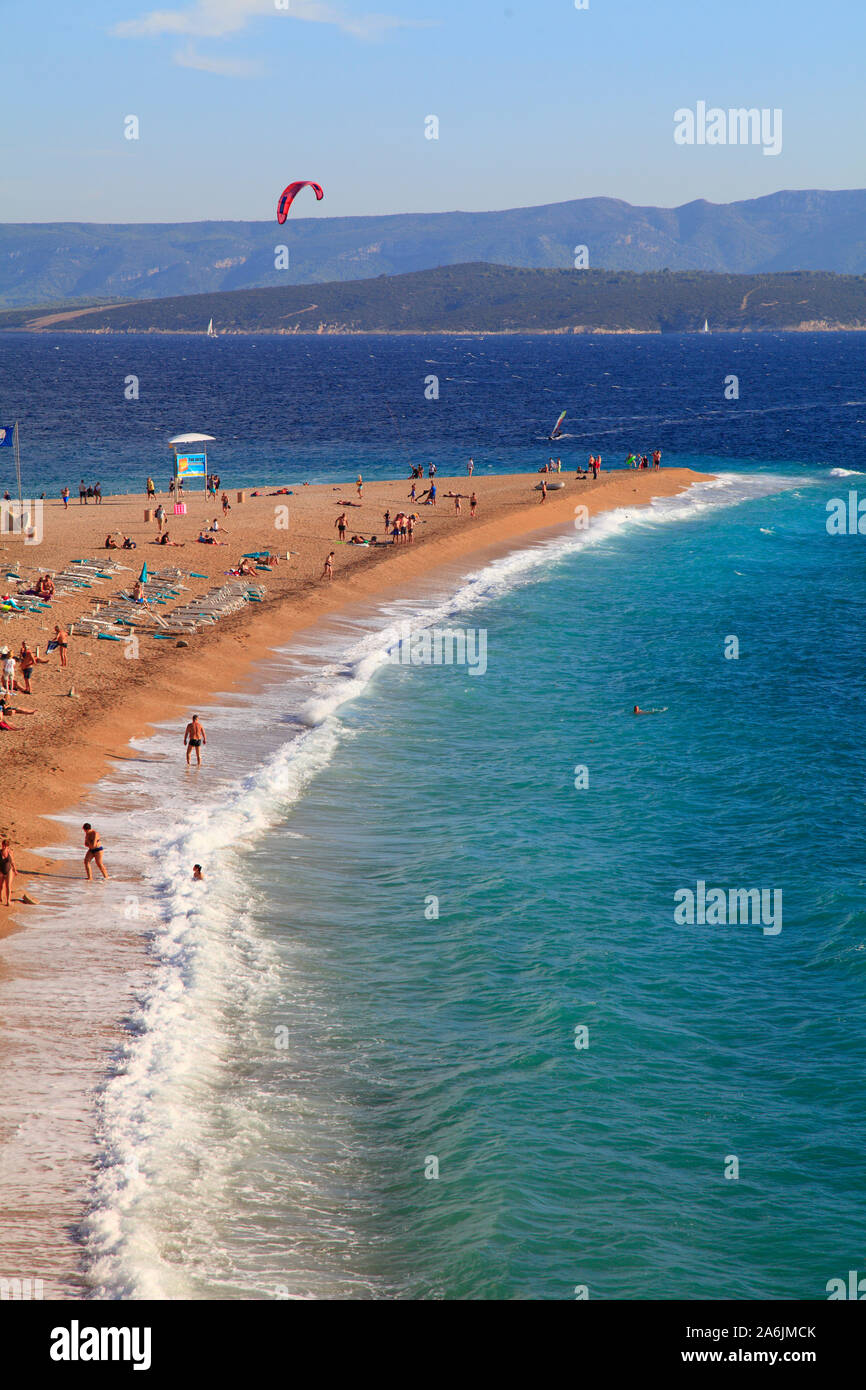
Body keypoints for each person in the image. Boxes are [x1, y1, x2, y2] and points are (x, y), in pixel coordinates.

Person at [0, 838, 16, 905]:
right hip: (0, 870)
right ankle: (0, 897)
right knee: (0, 886)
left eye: (5, 846)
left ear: (7, 846)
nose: (3, 847)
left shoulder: (10, 852)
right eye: (3, 845)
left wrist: (15, 869)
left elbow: (12, 861)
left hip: (9, 870)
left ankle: (8, 901)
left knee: (8, 886)